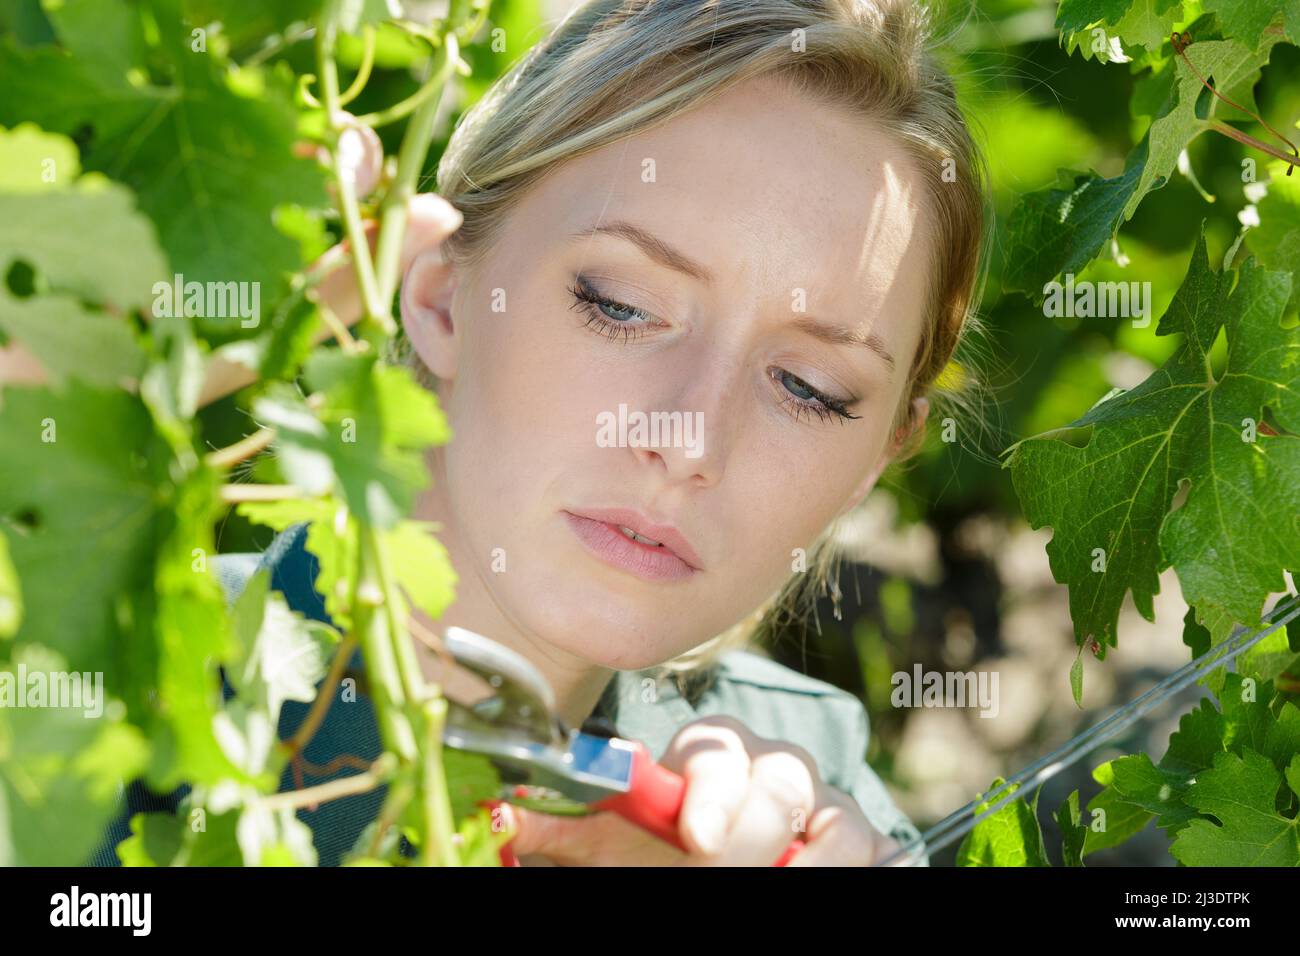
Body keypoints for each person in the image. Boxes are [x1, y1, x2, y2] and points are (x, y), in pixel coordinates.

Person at [76, 0, 988, 866]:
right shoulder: (86, 707)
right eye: (622, 307)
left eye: (810, 388)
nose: (691, 442)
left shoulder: (821, 801)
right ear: (440, 293)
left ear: (880, 454)